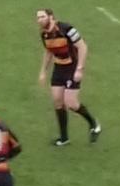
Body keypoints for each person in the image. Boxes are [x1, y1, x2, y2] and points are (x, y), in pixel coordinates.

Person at [35, 8, 101, 146]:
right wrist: (43, 71)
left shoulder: (67, 29)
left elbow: (82, 47)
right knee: (58, 101)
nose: (40, 20)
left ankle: (94, 124)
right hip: (59, 69)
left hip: (72, 68)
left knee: (71, 103)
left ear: (51, 17)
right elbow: (48, 52)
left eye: (42, 16)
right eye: (38, 18)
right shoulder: (45, 34)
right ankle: (64, 138)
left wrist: (80, 69)